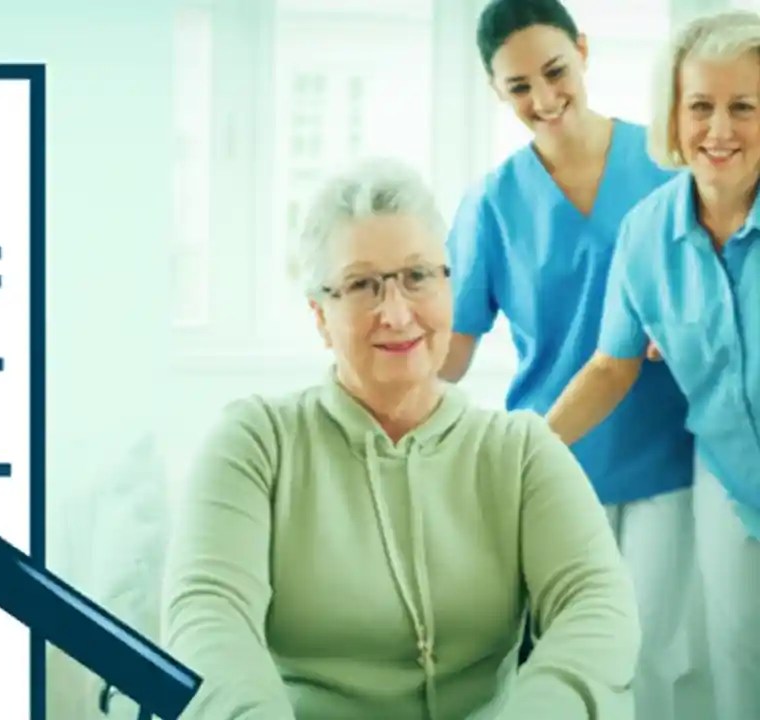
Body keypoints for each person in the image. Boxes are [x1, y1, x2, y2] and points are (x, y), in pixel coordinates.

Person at [160, 157, 640, 719]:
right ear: (320, 315)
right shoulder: (256, 443)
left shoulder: (520, 451)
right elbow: (209, 616)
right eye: (362, 285)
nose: (396, 312)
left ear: (450, 288)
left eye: (417, 276)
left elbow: (597, 608)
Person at [442, 2, 709, 717]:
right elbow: (453, 353)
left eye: (555, 70)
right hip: (553, 458)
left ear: (584, 52)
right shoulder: (492, 203)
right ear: (495, 90)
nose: (544, 98)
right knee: (564, 659)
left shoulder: (665, 165)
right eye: (518, 86)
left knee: (653, 653)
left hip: (663, 453)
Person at [545, 10, 760, 719]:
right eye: (701, 106)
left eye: (744, 107)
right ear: (675, 114)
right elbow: (613, 367)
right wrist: (528, 446)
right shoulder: (648, 233)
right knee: (737, 652)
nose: (719, 130)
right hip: (730, 476)